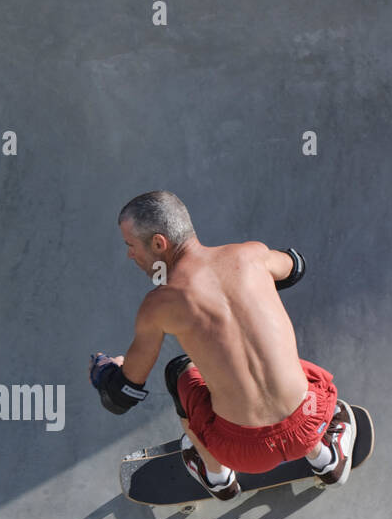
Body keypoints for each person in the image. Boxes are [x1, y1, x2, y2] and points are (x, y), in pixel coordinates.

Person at [89, 190, 355, 500]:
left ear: (159, 243)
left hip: (241, 452)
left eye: (131, 246)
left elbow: (123, 395)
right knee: (277, 354)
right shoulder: (251, 255)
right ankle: (325, 458)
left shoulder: (158, 305)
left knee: (179, 371)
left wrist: (105, 372)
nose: (129, 255)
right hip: (311, 418)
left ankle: (217, 476)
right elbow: (295, 266)